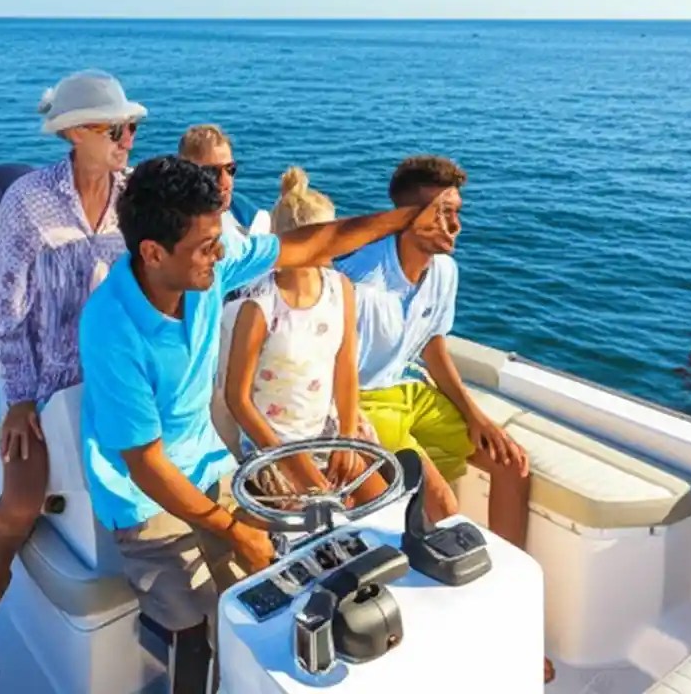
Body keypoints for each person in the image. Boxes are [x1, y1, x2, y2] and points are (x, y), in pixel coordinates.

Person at [78, 155, 453, 692]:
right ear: (153, 252)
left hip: (209, 463)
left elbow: (318, 244)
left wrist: (405, 218)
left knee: (267, 599)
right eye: (206, 246)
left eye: (218, 241)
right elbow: (146, 464)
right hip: (143, 499)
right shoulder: (110, 327)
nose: (220, 254)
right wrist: (233, 529)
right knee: (195, 623)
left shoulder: (210, 264)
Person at [334, 155, 554, 683]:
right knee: (443, 505)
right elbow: (333, 366)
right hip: (364, 401)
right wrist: (349, 428)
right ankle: (478, 631)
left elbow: (432, 346)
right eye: (444, 212)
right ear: (409, 216)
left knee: (511, 465)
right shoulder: (360, 281)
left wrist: (476, 415)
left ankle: (507, 609)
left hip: (412, 390)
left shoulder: (445, 271)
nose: (457, 225)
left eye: (458, 211)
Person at [0, 69, 145, 650]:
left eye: (131, 127)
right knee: (21, 500)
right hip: (45, 381)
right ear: (75, 134)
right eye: (115, 129)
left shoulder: (138, 195)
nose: (127, 140)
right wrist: (16, 400)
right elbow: (7, 310)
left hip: (117, 373)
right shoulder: (28, 202)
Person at [223, 166, 457, 518]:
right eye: (328, 238)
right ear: (301, 244)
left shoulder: (340, 288)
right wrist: (298, 469)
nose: (338, 248)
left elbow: (345, 366)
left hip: (332, 431)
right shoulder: (260, 307)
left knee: (387, 513)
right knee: (326, 522)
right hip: (275, 445)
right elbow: (237, 400)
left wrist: (347, 438)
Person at [177, 124, 270, 244]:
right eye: (212, 172)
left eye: (230, 169)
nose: (225, 181)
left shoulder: (248, 216)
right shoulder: (168, 227)